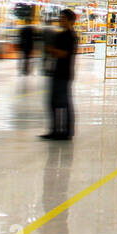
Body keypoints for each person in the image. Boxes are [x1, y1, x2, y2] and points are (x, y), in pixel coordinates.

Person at [42, 9, 78, 141]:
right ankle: (55, 129)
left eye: (63, 18)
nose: (60, 20)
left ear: (70, 21)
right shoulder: (60, 35)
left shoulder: (71, 36)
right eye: (60, 18)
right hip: (55, 71)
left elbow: (64, 54)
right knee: (53, 102)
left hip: (64, 73)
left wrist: (53, 50)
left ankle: (67, 132)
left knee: (64, 102)